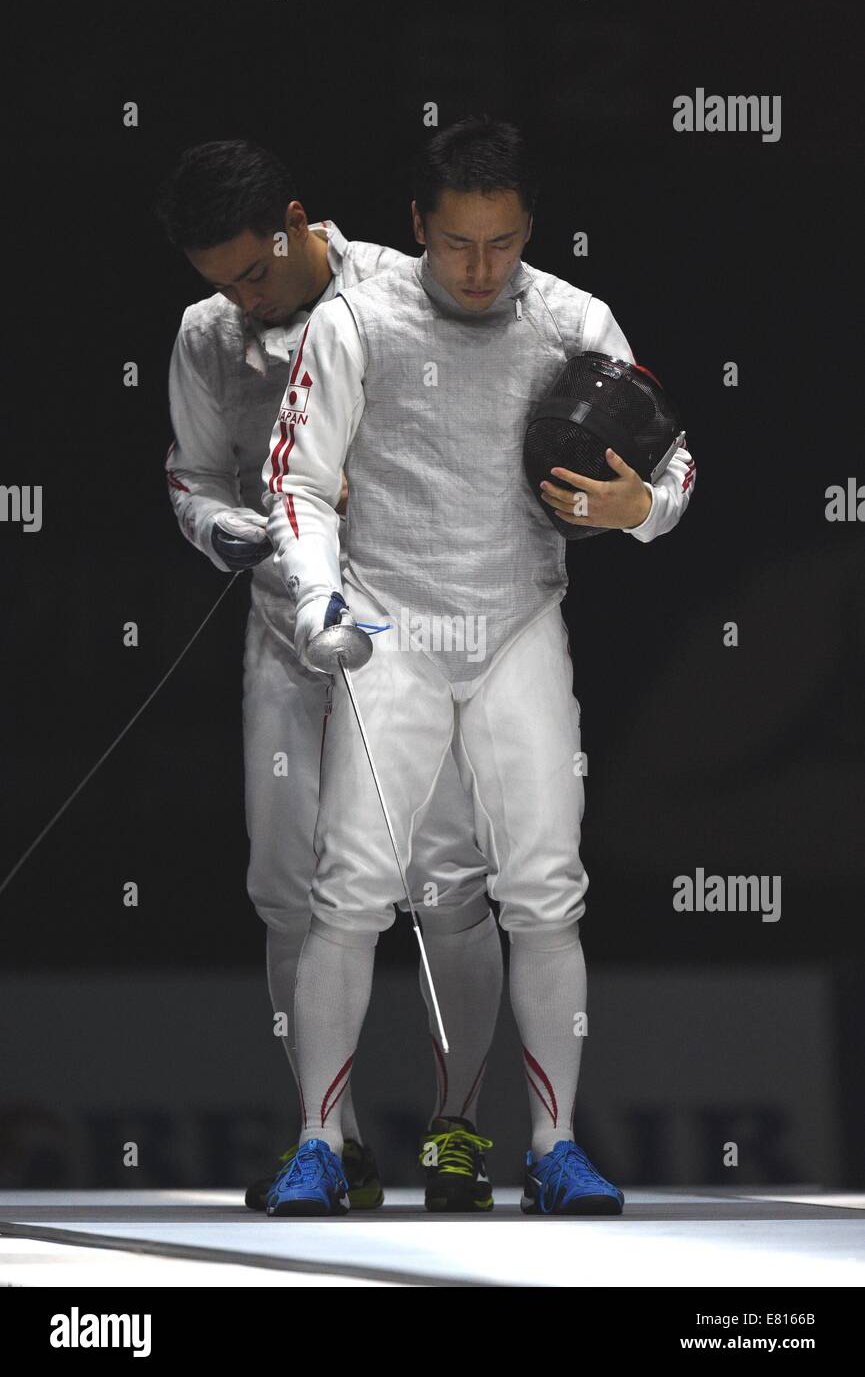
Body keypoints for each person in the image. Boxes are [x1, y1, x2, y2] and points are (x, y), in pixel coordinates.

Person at [262, 117, 696, 1217]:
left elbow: (674, 459)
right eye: (457, 243)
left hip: (515, 627)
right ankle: (318, 1143)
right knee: (350, 890)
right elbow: (299, 482)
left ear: (528, 229)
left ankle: (552, 1145)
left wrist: (640, 507)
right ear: (418, 225)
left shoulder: (572, 319)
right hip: (390, 630)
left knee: (544, 890)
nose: (478, 268)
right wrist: (317, 595)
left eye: (501, 243)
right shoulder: (356, 320)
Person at [157, 140, 504, 1213]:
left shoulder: (409, 296)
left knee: (445, 885)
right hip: (288, 636)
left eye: (254, 271)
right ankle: (332, 1142)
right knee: (287, 894)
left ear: (297, 221)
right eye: (221, 282)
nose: (243, 297)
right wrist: (221, 528)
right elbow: (193, 474)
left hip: (416, 632)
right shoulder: (206, 336)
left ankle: (456, 1130)